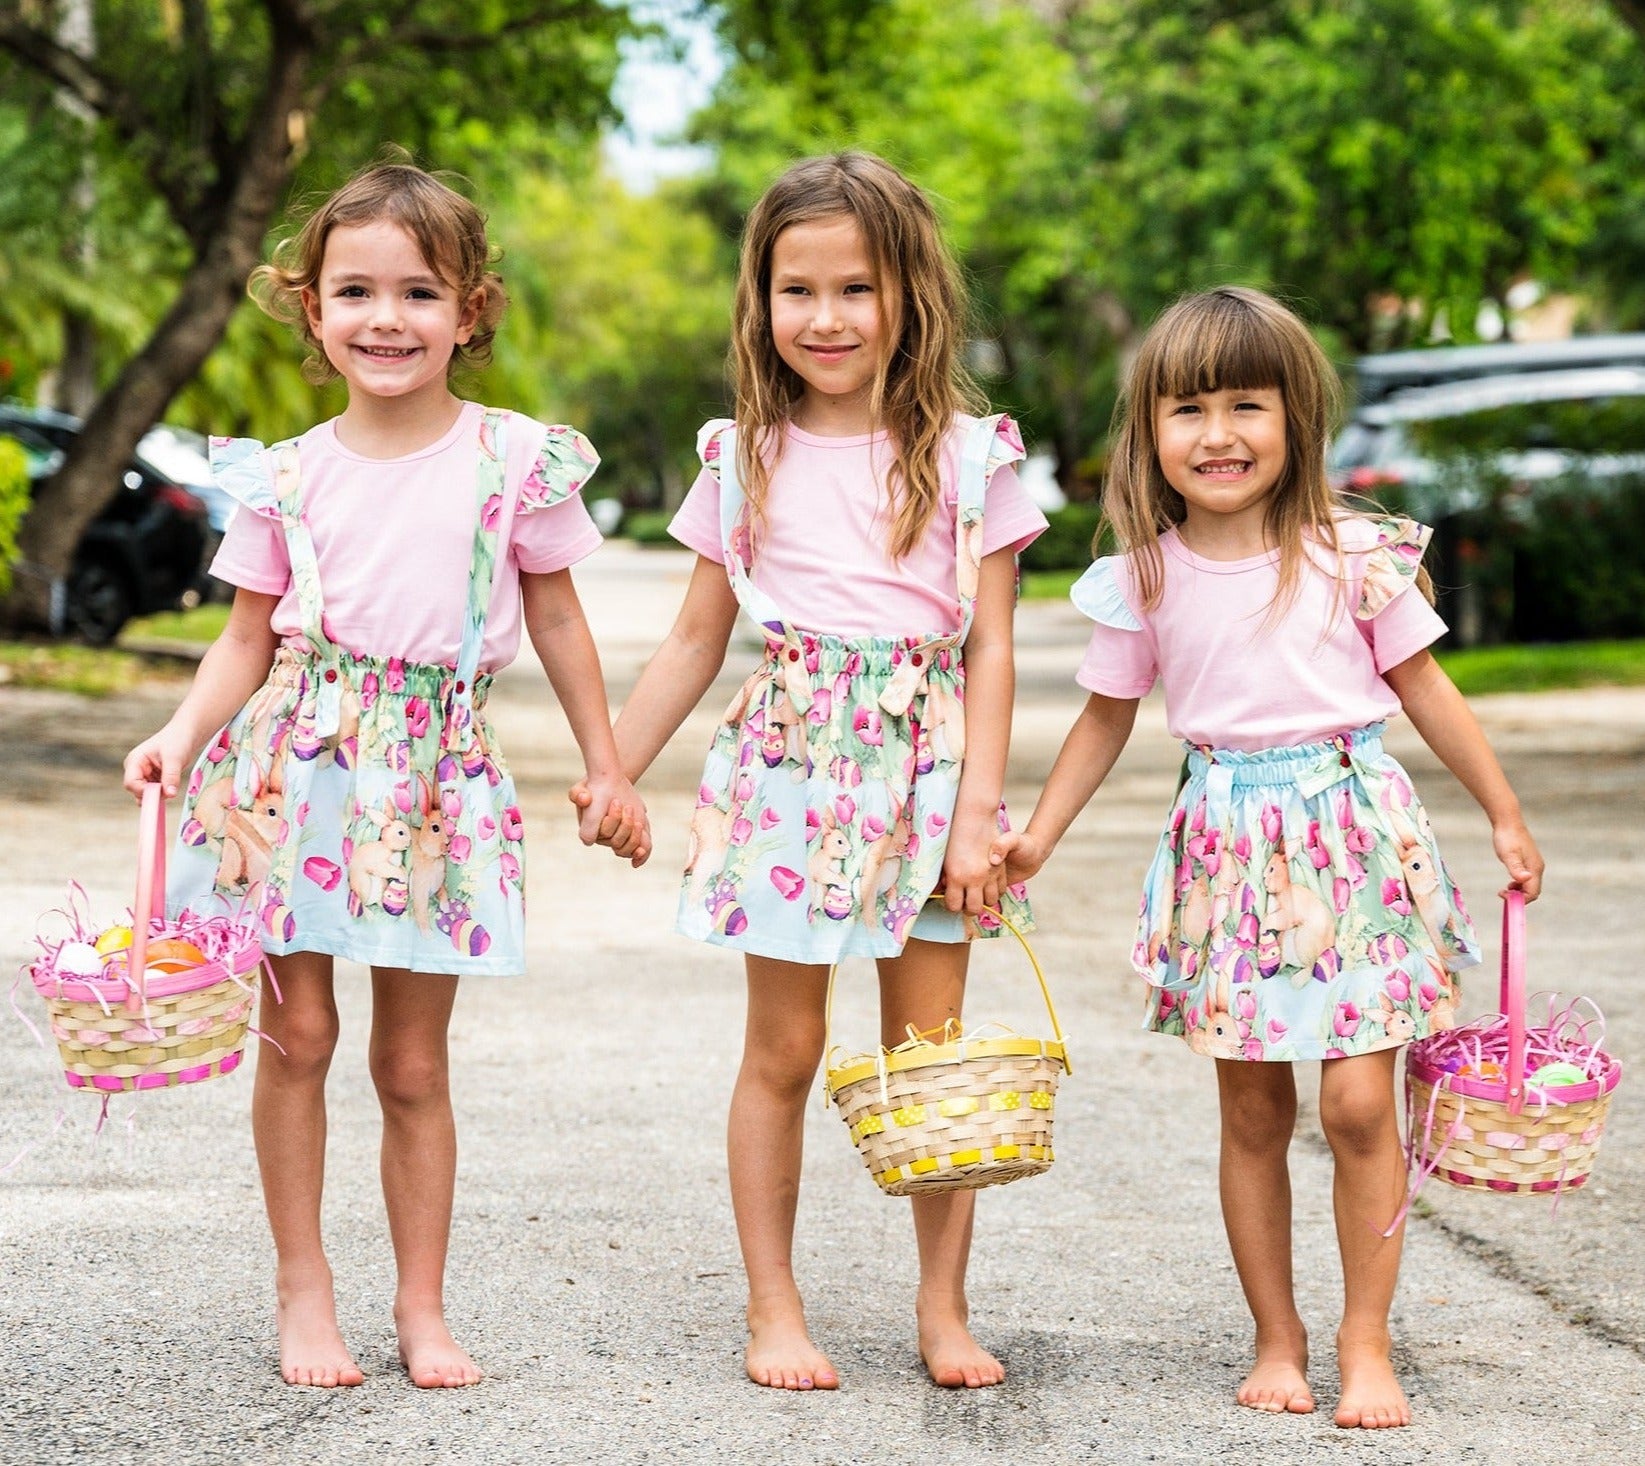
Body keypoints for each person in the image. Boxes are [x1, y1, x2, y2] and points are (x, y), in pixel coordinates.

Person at [122, 159, 648, 1391]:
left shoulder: (512, 461)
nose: (385, 317)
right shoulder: (286, 473)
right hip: (292, 770)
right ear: (312, 310)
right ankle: (305, 1288)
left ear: (472, 309)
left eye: (419, 291)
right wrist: (178, 733)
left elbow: (560, 621)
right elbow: (247, 636)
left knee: (411, 1063)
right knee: (296, 1034)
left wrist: (606, 761)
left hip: (437, 776)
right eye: (354, 289)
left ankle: (421, 1302)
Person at [991, 286, 1543, 1429]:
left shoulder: (1351, 554)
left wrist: (1502, 808)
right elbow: (1101, 720)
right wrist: (1035, 834)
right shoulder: (1143, 575)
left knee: (1353, 1104)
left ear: (1297, 419)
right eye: (1189, 408)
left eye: (1249, 404)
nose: (1219, 433)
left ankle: (1364, 1337)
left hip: (1353, 841)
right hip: (1227, 859)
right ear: (1150, 428)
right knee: (1250, 1112)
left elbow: (1424, 689)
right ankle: (1277, 1332)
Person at [572, 151, 1047, 1391]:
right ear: (761, 298)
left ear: (911, 294)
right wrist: (611, 763)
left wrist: (977, 816)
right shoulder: (747, 455)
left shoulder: (972, 455)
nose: (825, 318)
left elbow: (991, 644)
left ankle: (941, 1308)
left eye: (855, 288)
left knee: (930, 1052)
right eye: (798, 290)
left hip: (929, 771)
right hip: (790, 769)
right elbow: (694, 635)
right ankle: (772, 1307)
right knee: (781, 1049)